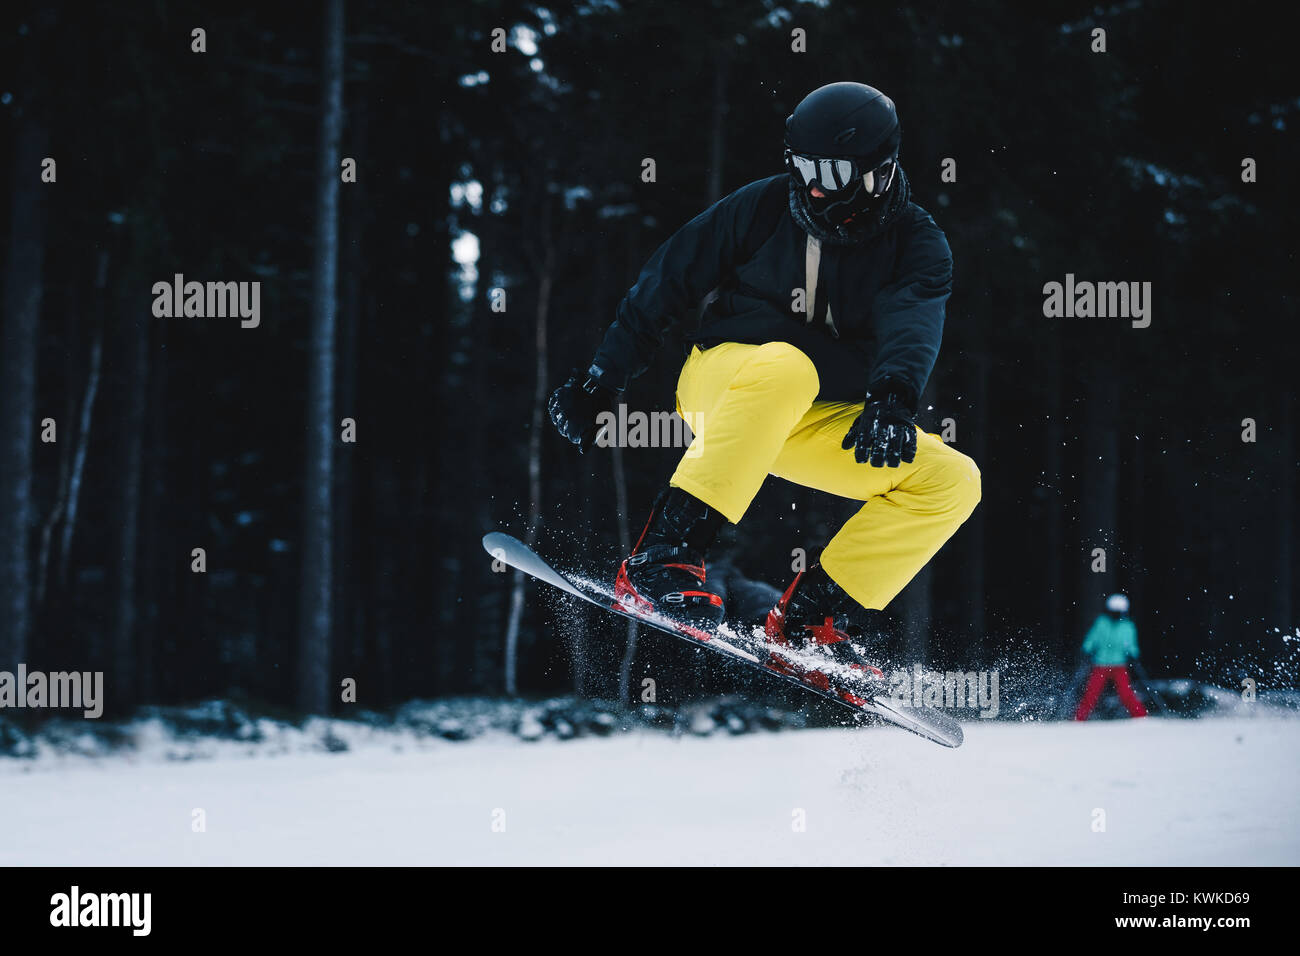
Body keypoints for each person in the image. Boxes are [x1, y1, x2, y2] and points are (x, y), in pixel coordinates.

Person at [548, 82, 980, 685]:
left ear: (879, 172)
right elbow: (666, 281)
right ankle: (662, 557)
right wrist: (600, 380)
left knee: (953, 481)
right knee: (787, 366)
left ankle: (806, 620)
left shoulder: (917, 243)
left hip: (812, 418)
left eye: (829, 170)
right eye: (802, 167)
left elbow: (913, 322)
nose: (813, 185)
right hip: (726, 384)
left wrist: (893, 399)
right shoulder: (762, 206)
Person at [1073, 593, 1148, 720]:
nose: (1116, 615)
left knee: (1126, 693)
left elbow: (1131, 644)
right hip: (1101, 664)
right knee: (1091, 693)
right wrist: (1087, 649)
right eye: (1114, 612)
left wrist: (1133, 654)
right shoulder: (1102, 623)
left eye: (1118, 612)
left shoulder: (1128, 626)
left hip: (1119, 665)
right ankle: (1079, 719)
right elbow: (1092, 638)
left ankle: (1141, 717)